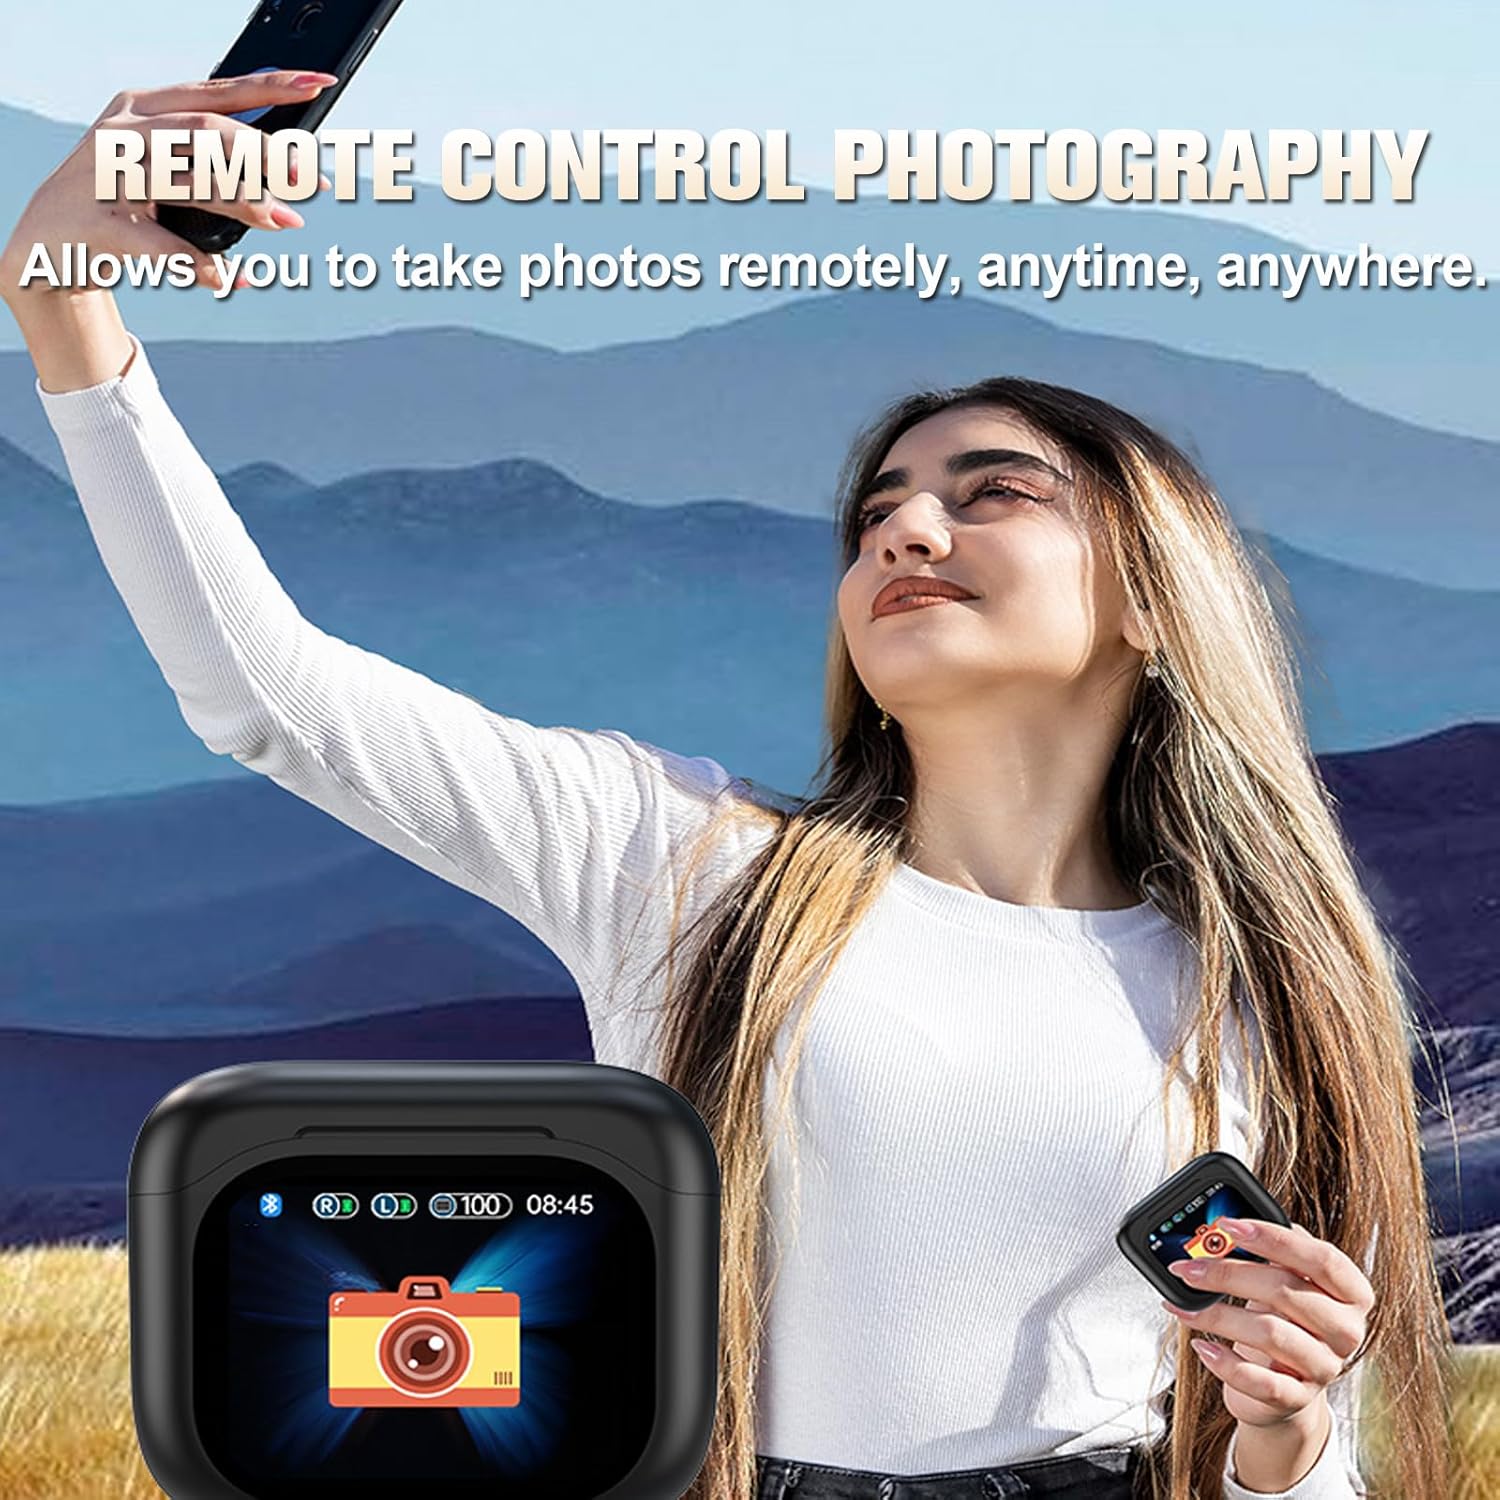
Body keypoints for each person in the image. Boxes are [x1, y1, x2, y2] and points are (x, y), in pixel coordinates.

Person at [1, 73, 1456, 1500]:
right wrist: (65, 309)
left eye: (993, 492)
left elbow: (1289, 1465)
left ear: (1154, 594)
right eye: (876, 516)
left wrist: (1287, 1437)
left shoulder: (1272, 995)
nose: (906, 531)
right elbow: (267, 693)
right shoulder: (682, 862)